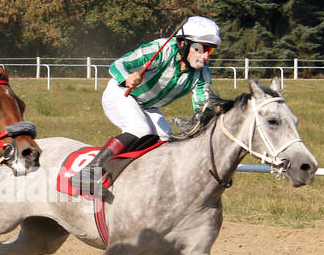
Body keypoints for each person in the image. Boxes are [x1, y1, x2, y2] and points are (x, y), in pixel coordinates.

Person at [70, 15, 222, 196]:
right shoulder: (161, 49)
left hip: (147, 105)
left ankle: (141, 184)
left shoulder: (202, 74)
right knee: (140, 128)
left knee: (166, 140)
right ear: (183, 44)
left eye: (210, 51)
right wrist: (127, 78)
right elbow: (117, 65)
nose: (205, 56)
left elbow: (203, 105)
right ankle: (86, 175)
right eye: (200, 48)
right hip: (121, 94)